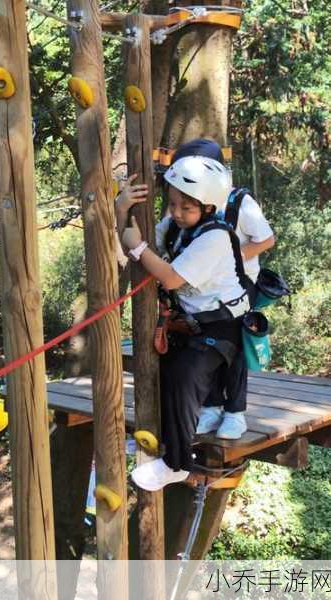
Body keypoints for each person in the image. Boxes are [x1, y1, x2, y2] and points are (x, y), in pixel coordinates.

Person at [118, 155, 250, 491]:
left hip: (223, 326)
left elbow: (171, 277)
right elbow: (139, 238)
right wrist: (122, 211)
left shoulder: (214, 237)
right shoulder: (178, 227)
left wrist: (138, 248)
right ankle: (165, 442)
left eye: (186, 207)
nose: (176, 212)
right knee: (164, 372)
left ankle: (177, 463)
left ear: (207, 208)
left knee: (183, 375)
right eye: (172, 203)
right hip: (193, 324)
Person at [159, 139, 275, 440]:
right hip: (200, 288)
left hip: (239, 284)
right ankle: (211, 407)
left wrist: (224, 258)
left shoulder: (238, 202)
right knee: (202, 343)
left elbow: (266, 239)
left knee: (233, 347)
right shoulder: (183, 204)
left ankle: (235, 413)